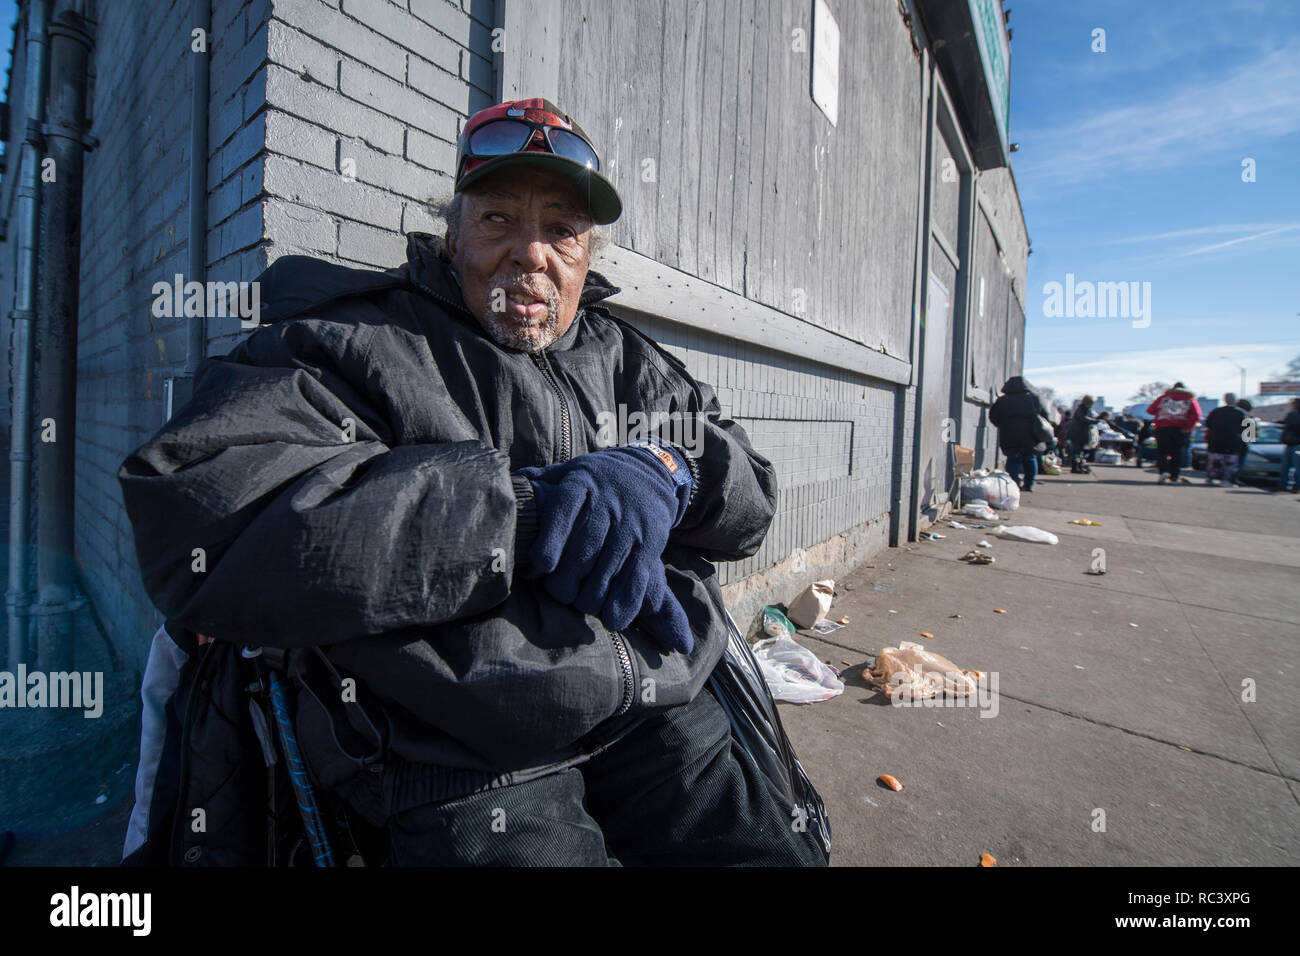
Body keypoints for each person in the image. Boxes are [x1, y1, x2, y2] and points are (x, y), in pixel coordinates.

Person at [117, 98, 824, 866]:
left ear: (586, 256)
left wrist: (672, 470)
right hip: (456, 752)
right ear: (452, 232)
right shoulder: (352, 340)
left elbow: (750, 499)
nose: (531, 252)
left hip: (653, 706)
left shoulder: (631, 364)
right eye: (497, 219)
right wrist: (525, 514)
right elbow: (201, 511)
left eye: (560, 228)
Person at [989, 376, 1051, 492]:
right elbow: (1045, 416)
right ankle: (1029, 484)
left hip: (1009, 435)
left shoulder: (1002, 400)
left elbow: (993, 417)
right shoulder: (1034, 399)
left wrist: (1003, 425)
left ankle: (1014, 484)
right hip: (1031, 436)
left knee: (1013, 459)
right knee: (1030, 459)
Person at [1146, 382, 1202, 484]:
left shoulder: (1163, 398)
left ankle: (1163, 471)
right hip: (1180, 429)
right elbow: (1197, 415)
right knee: (1177, 452)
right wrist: (1188, 427)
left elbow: (1150, 410)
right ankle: (1174, 475)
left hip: (1162, 427)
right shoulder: (1190, 399)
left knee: (1162, 451)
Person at [1203, 393, 1246, 486]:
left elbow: (1208, 424)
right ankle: (1227, 480)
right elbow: (1249, 428)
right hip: (1233, 441)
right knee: (1230, 462)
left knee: (1215, 461)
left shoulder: (1215, 411)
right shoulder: (1241, 413)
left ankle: (1210, 478)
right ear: (1235, 400)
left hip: (1216, 440)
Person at [1065, 396, 1099, 474]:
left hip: (1079, 434)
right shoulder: (1081, 410)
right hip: (1078, 434)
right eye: (1091, 403)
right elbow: (1084, 418)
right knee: (1077, 452)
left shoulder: (1083, 409)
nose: (1091, 405)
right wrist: (1095, 421)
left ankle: (1078, 467)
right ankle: (1075, 468)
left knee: (1079, 452)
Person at [1273, 397, 1300, 493]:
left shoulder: (1293, 415)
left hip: (1295, 443)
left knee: (1294, 467)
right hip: (1290, 443)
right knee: (1287, 466)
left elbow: (1289, 425)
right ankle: (1285, 486)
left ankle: (1294, 486)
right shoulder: (1292, 415)